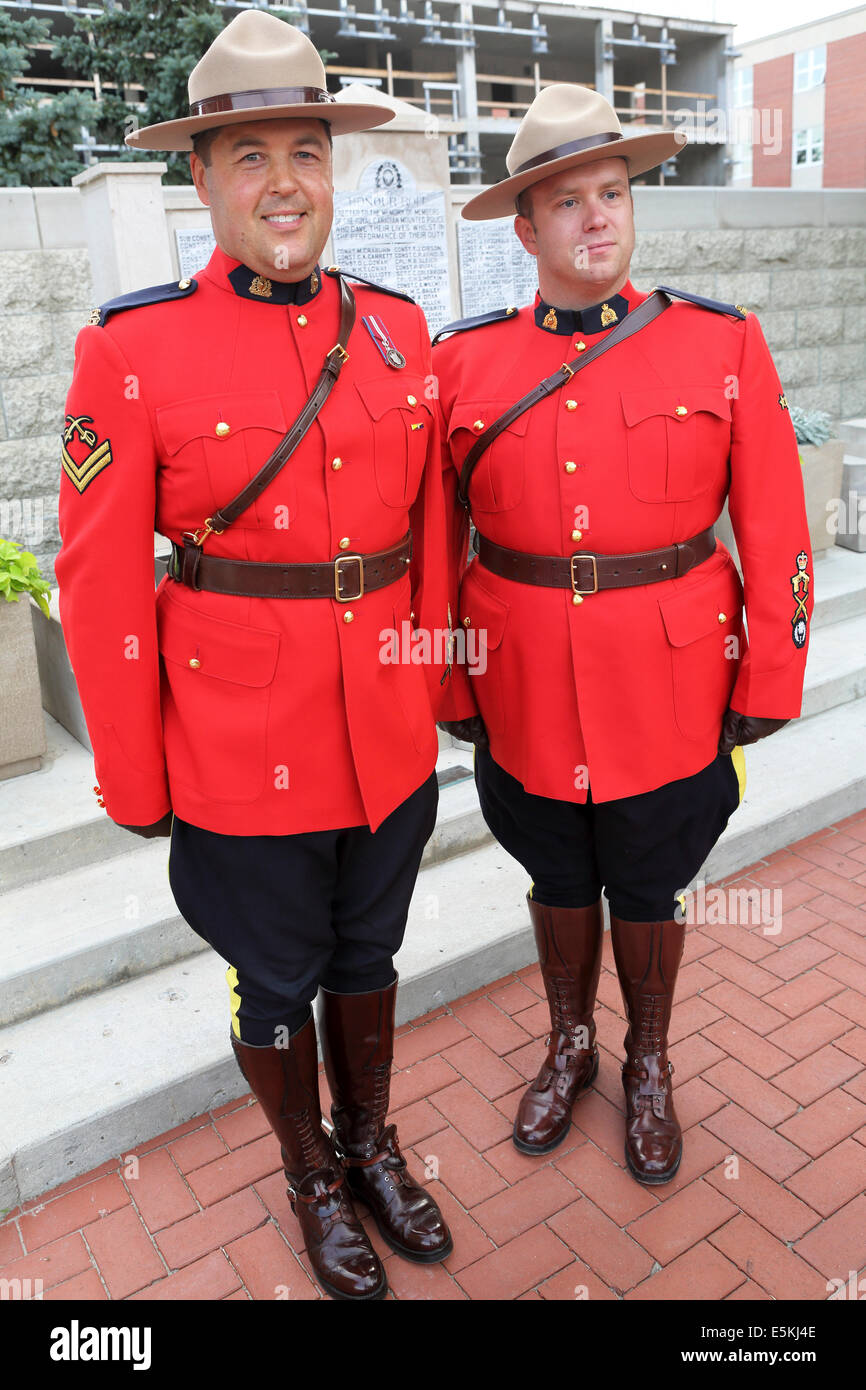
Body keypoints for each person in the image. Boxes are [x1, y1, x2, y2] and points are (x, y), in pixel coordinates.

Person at [56, 10, 455, 1300]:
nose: (284, 182)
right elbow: (102, 582)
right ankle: (310, 1177)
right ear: (203, 176)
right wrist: (132, 772)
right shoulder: (132, 350)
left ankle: (371, 1143)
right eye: (249, 156)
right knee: (274, 977)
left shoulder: (398, 330)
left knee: (371, 956)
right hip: (239, 743)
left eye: (306, 149)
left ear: (333, 169)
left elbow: (428, 534)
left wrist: (444, 680)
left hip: (383, 728)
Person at [434, 84, 812, 1184]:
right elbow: (434, 544)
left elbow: (778, 523)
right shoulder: (463, 367)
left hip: (672, 685)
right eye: (566, 202)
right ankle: (570, 1043)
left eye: (611, 194)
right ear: (526, 228)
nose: (595, 218)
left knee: (651, 881)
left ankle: (645, 1060)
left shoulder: (719, 344)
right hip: (522, 687)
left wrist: (771, 671)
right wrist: (448, 687)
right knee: (554, 874)